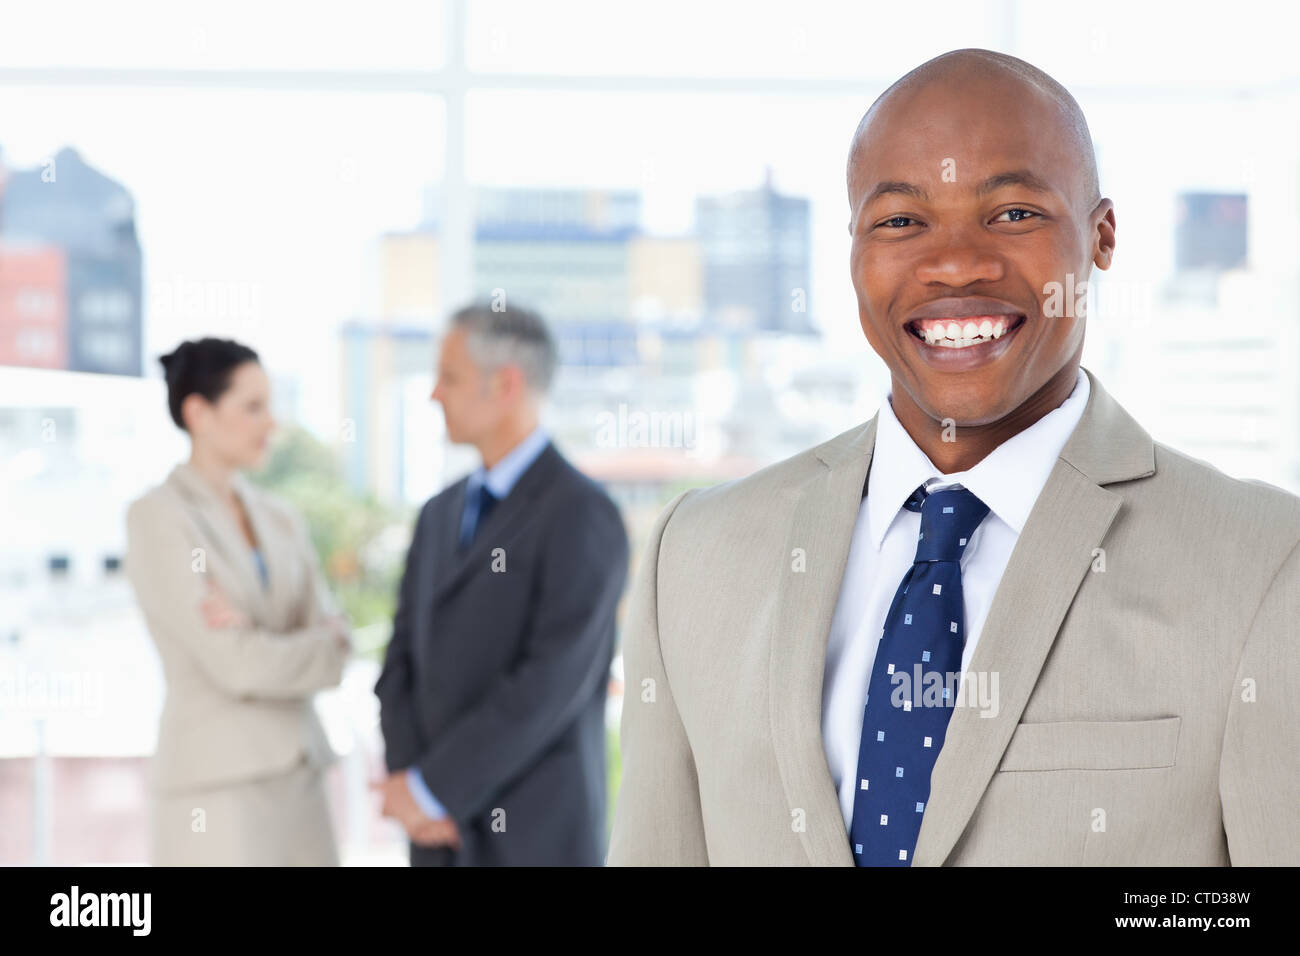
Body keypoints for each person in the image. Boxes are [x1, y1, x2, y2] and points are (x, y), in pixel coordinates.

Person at [607, 48, 1300, 866]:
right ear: (854, 250)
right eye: (901, 221)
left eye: (1013, 214)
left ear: (1102, 237)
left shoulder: (1264, 565)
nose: (956, 264)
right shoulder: (694, 557)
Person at [373, 301, 629, 866]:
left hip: (533, 840)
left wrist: (430, 789)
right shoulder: (437, 514)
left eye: (450, 378)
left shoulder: (583, 513)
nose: (434, 395)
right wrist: (411, 787)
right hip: (436, 839)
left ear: (506, 384)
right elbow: (398, 666)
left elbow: (549, 684)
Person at [125, 337, 352, 866]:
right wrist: (300, 643)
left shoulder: (281, 517)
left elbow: (339, 646)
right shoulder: (158, 517)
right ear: (198, 412)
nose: (270, 423)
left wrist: (262, 634)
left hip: (302, 780)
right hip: (216, 787)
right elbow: (235, 664)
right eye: (252, 407)